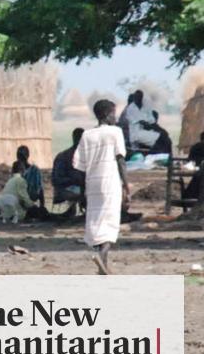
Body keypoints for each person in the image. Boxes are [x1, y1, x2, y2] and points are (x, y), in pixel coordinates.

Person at [74, 99, 130, 275]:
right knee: (110, 222)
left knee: (96, 222)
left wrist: (82, 192)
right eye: (114, 113)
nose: (115, 117)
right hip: (109, 182)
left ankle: (103, 267)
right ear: (107, 114)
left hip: (92, 183)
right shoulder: (115, 132)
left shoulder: (87, 135)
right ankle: (102, 255)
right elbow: (120, 160)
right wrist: (126, 184)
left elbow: (80, 167)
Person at [122, 90, 172, 154]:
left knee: (167, 140)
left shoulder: (146, 106)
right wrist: (159, 130)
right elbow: (144, 123)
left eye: (140, 97)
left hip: (146, 132)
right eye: (136, 97)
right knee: (160, 138)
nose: (138, 99)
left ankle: (168, 158)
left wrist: (162, 130)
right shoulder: (131, 108)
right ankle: (155, 156)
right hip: (136, 133)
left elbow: (152, 121)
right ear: (134, 98)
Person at [52, 128, 86, 216]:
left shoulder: (85, 156)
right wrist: (73, 180)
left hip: (78, 189)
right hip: (67, 189)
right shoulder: (63, 156)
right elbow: (56, 180)